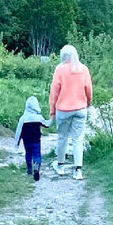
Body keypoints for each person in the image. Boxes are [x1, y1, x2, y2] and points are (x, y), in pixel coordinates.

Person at [49, 44, 92, 180]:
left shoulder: (59, 69)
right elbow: (88, 89)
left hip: (63, 110)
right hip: (81, 109)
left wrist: (52, 111)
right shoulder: (83, 69)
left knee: (62, 137)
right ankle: (78, 170)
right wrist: (87, 103)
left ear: (63, 56)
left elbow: (54, 92)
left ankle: (60, 166)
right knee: (78, 139)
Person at [14, 95, 51, 180]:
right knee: (37, 154)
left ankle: (29, 170)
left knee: (28, 154)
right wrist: (52, 118)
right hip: (36, 140)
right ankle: (36, 167)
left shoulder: (23, 118)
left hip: (26, 141)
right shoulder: (39, 117)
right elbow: (47, 124)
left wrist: (17, 143)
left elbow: (18, 131)